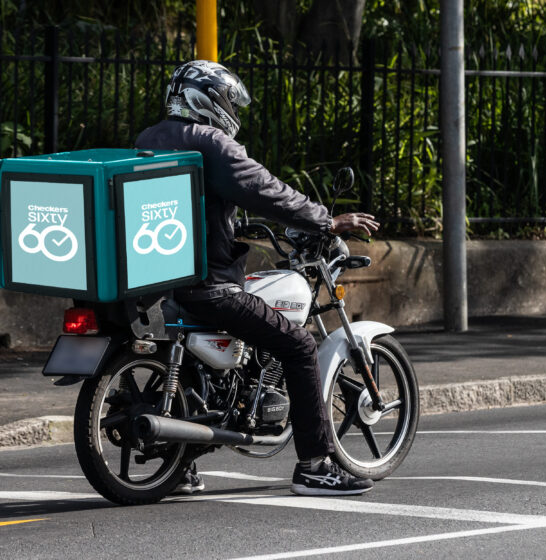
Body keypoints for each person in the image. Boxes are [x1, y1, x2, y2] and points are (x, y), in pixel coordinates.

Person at [135, 60, 380, 496]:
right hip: (210, 287)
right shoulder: (213, 143)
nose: (233, 111)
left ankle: (179, 467)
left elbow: (191, 206)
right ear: (206, 100)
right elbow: (265, 189)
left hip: (163, 284)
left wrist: (234, 228)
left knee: (202, 364)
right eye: (229, 101)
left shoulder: (151, 138)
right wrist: (326, 220)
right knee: (300, 345)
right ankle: (314, 466)